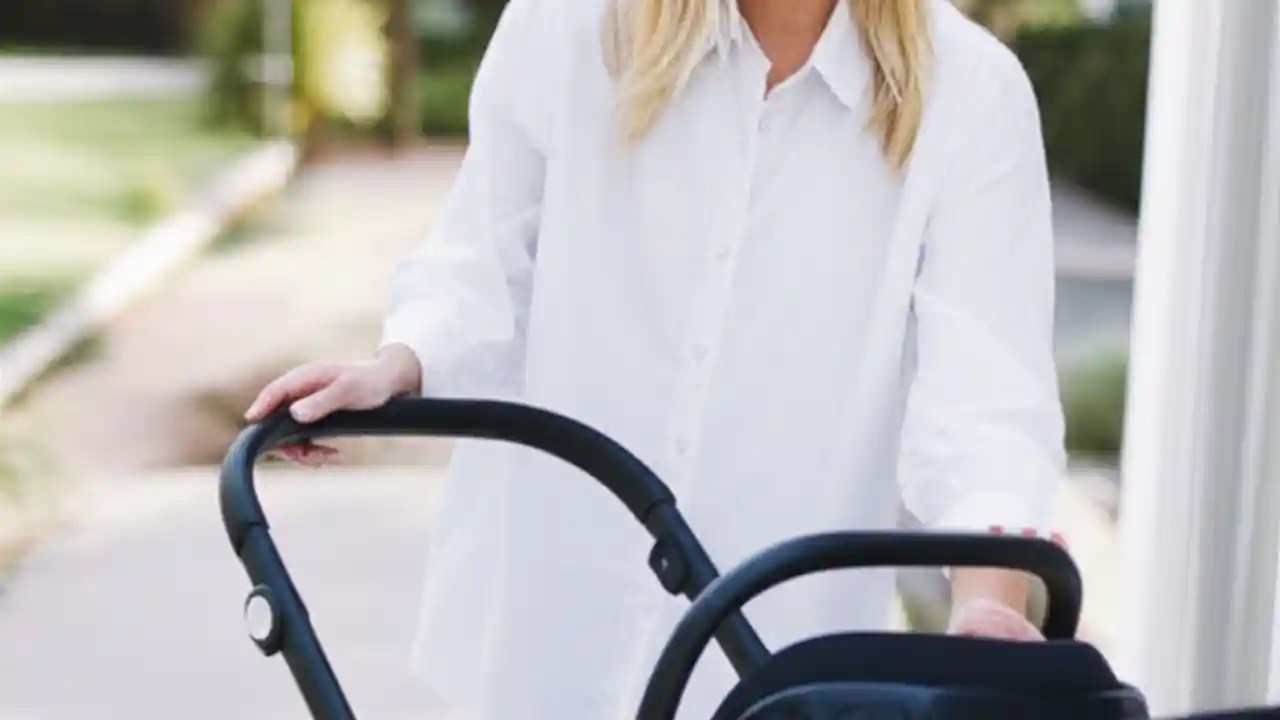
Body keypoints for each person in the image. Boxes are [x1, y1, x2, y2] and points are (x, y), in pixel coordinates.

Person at [245, 0, 1066, 716]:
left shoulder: (972, 94)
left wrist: (986, 617)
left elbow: (986, 399)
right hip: (550, 636)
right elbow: (481, 261)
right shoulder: (571, 27)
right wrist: (399, 365)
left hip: (775, 657)